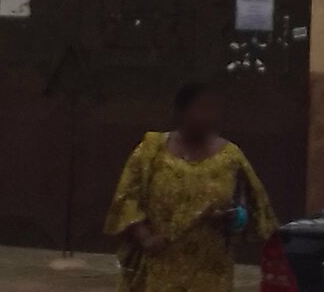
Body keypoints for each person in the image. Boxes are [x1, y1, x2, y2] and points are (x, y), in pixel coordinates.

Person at [105, 82, 277, 292]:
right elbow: (127, 198)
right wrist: (145, 237)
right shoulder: (152, 151)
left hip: (210, 272)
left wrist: (234, 218)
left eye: (215, 109)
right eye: (203, 108)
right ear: (181, 112)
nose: (210, 116)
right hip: (158, 268)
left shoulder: (231, 157)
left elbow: (250, 206)